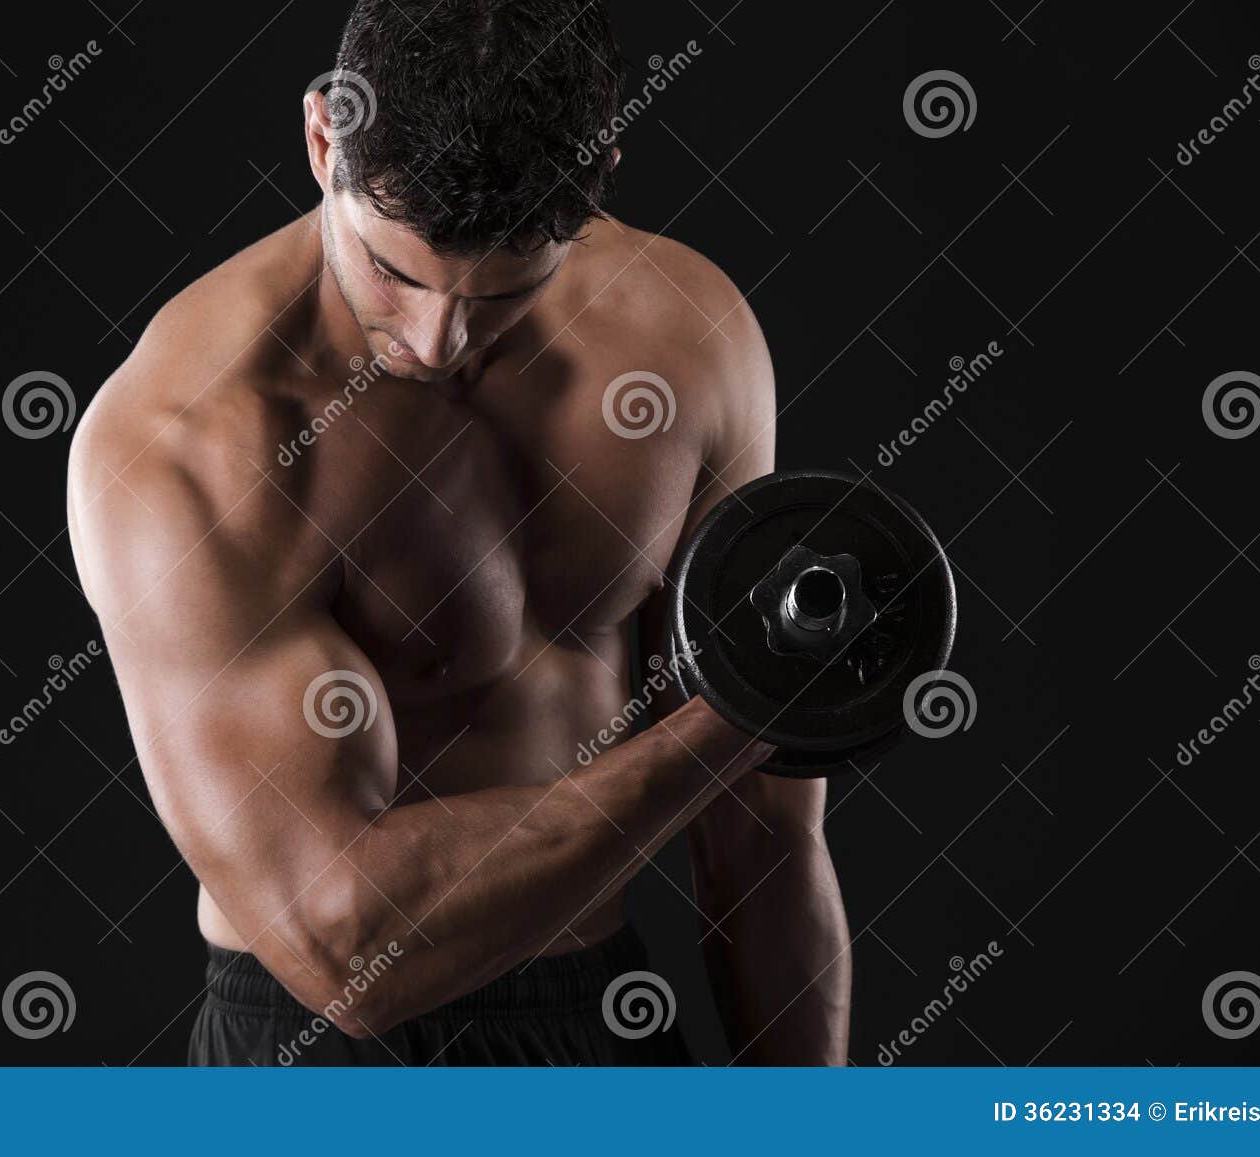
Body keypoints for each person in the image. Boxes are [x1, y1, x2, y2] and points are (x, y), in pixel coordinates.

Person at [66, 0, 849, 1065]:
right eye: (394, 273)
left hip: (597, 1015)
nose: (438, 340)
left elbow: (764, 835)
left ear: (597, 180)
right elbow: (344, 946)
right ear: (322, 139)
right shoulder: (190, 438)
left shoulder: (687, 336)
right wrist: (742, 715)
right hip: (322, 1054)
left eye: (505, 290)